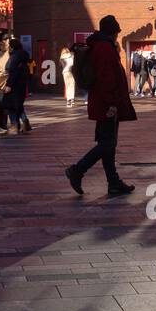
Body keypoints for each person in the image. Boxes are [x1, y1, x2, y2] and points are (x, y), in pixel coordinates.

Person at [65, 15, 135, 197]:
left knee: (108, 144)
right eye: (117, 32)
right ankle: (77, 170)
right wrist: (112, 104)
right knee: (107, 144)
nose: (118, 35)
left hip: (103, 102)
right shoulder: (104, 48)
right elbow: (106, 78)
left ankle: (113, 182)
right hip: (106, 104)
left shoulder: (100, 45)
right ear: (112, 32)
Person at [4, 38, 31, 133]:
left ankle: (14, 127)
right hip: (22, 84)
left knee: (11, 106)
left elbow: (13, 72)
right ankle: (25, 122)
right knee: (18, 105)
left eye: (8, 45)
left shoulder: (15, 56)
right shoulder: (23, 56)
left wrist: (9, 85)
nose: (7, 47)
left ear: (12, 47)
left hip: (14, 85)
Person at [0, 34, 11, 131]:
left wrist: (4, 70)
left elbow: (9, 68)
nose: (1, 43)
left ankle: (5, 125)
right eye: (1, 42)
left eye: (4, 41)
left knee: (5, 105)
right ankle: (1, 125)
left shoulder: (10, 53)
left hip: (6, 83)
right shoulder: (0, 53)